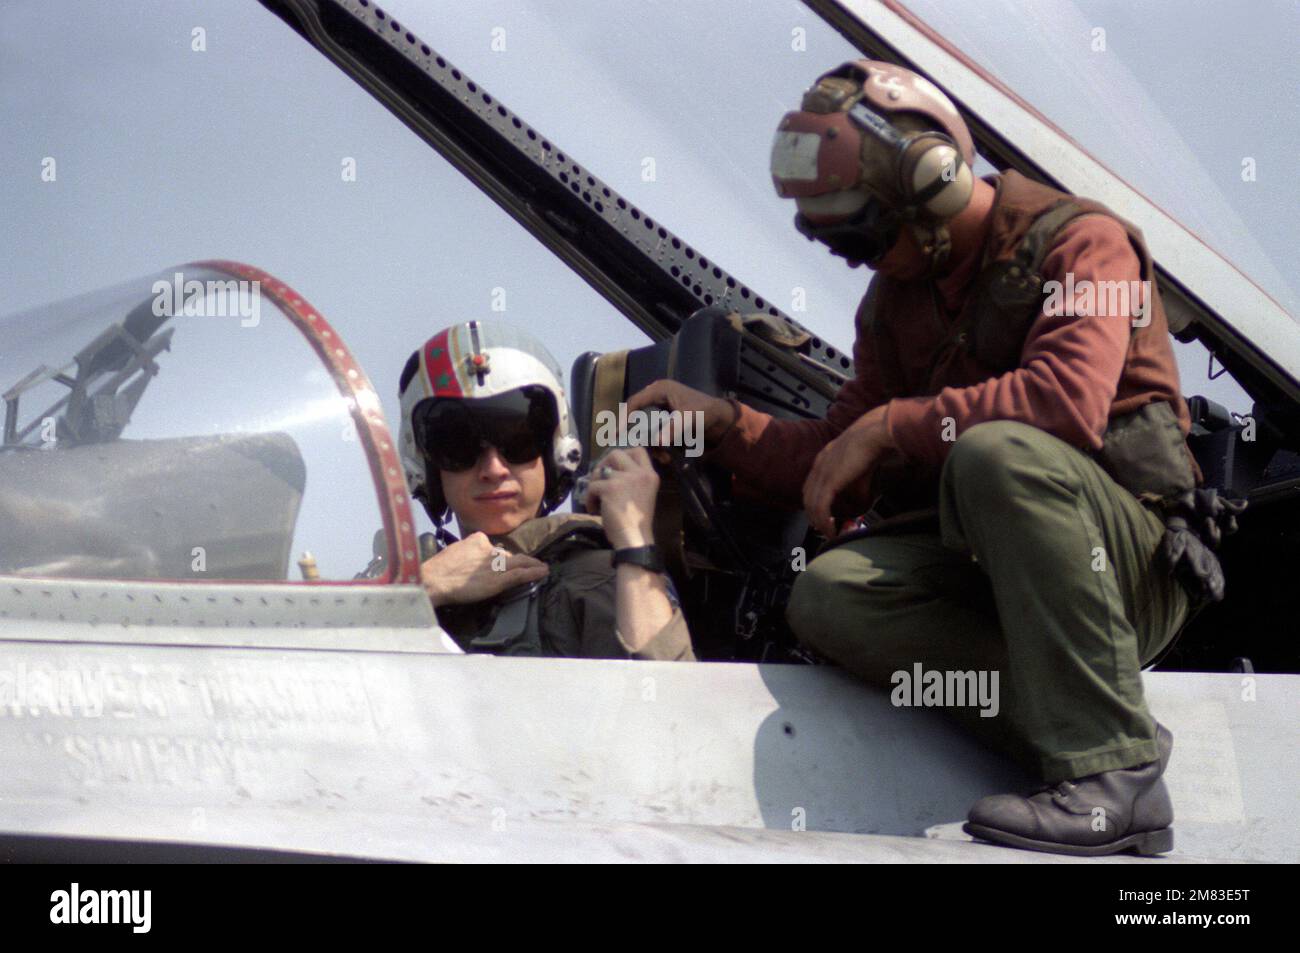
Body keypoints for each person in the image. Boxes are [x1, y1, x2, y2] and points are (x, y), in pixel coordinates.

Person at [628, 60, 1240, 855]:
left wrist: (893, 427)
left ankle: (1112, 776)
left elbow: (1064, 405)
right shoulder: (894, 306)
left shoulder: (1089, 245)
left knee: (998, 456)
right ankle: (1111, 733)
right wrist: (721, 423)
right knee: (829, 594)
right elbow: (834, 451)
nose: (860, 258)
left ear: (934, 183)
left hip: (1126, 566)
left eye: (867, 230)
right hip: (994, 571)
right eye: (837, 239)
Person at [398, 320, 694, 661]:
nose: (494, 470)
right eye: (458, 446)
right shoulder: (412, 585)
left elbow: (668, 701)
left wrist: (635, 545)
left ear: (553, 454)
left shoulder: (592, 578)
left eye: (518, 441)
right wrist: (422, 589)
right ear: (428, 469)